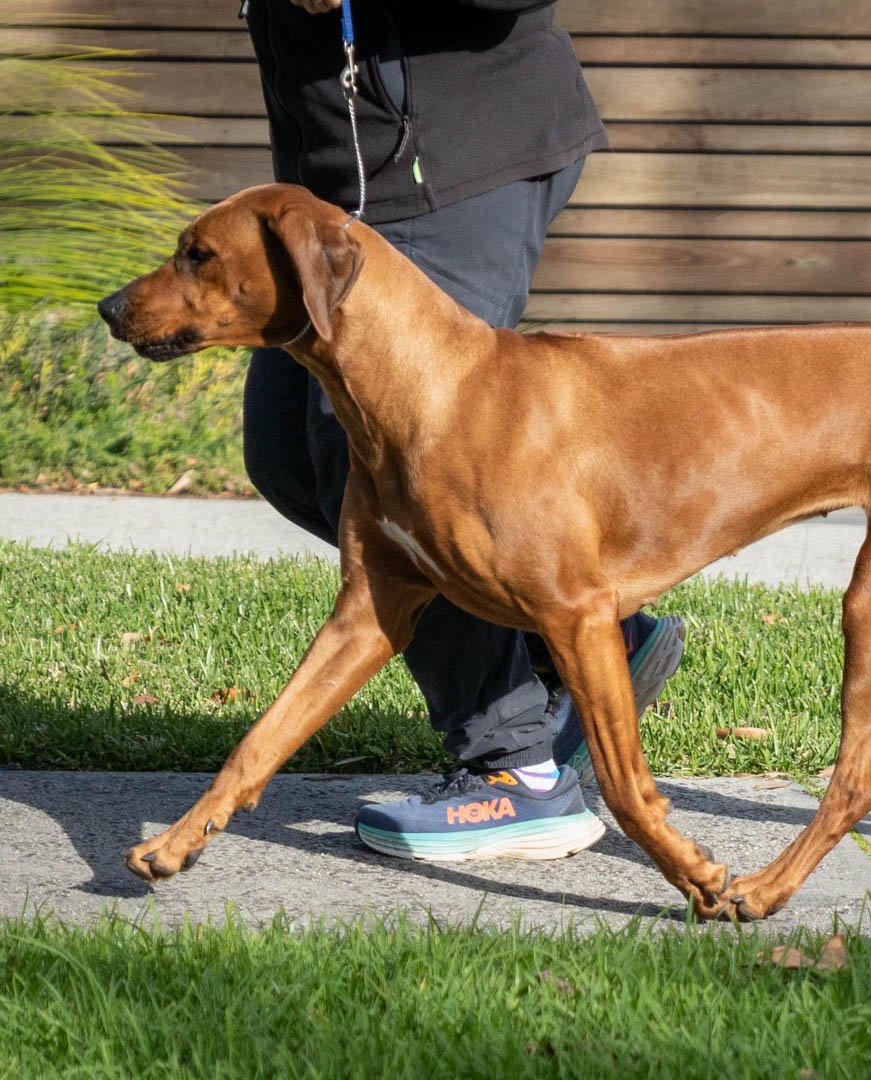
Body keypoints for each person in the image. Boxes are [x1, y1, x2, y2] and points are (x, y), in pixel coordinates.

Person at [242, 0, 684, 861]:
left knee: (395, 465)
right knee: (289, 452)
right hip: (338, 171)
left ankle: (514, 769)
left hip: (454, 158)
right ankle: (583, 640)